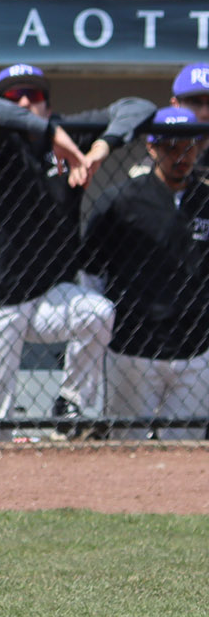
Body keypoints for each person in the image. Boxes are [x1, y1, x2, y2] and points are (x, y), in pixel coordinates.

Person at [0, 64, 152, 442]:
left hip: (46, 294)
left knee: (97, 313)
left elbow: (137, 106)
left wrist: (99, 148)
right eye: (15, 95)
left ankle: (70, 403)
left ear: (48, 101)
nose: (26, 100)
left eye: (35, 94)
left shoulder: (71, 132)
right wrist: (52, 133)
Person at [81, 105, 209, 440]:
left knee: (186, 450)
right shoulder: (120, 202)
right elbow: (90, 272)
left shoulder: (206, 199)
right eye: (171, 146)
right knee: (127, 446)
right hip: (133, 349)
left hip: (195, 351)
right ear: (151, 147)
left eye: (190, 145)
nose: (182, 155)